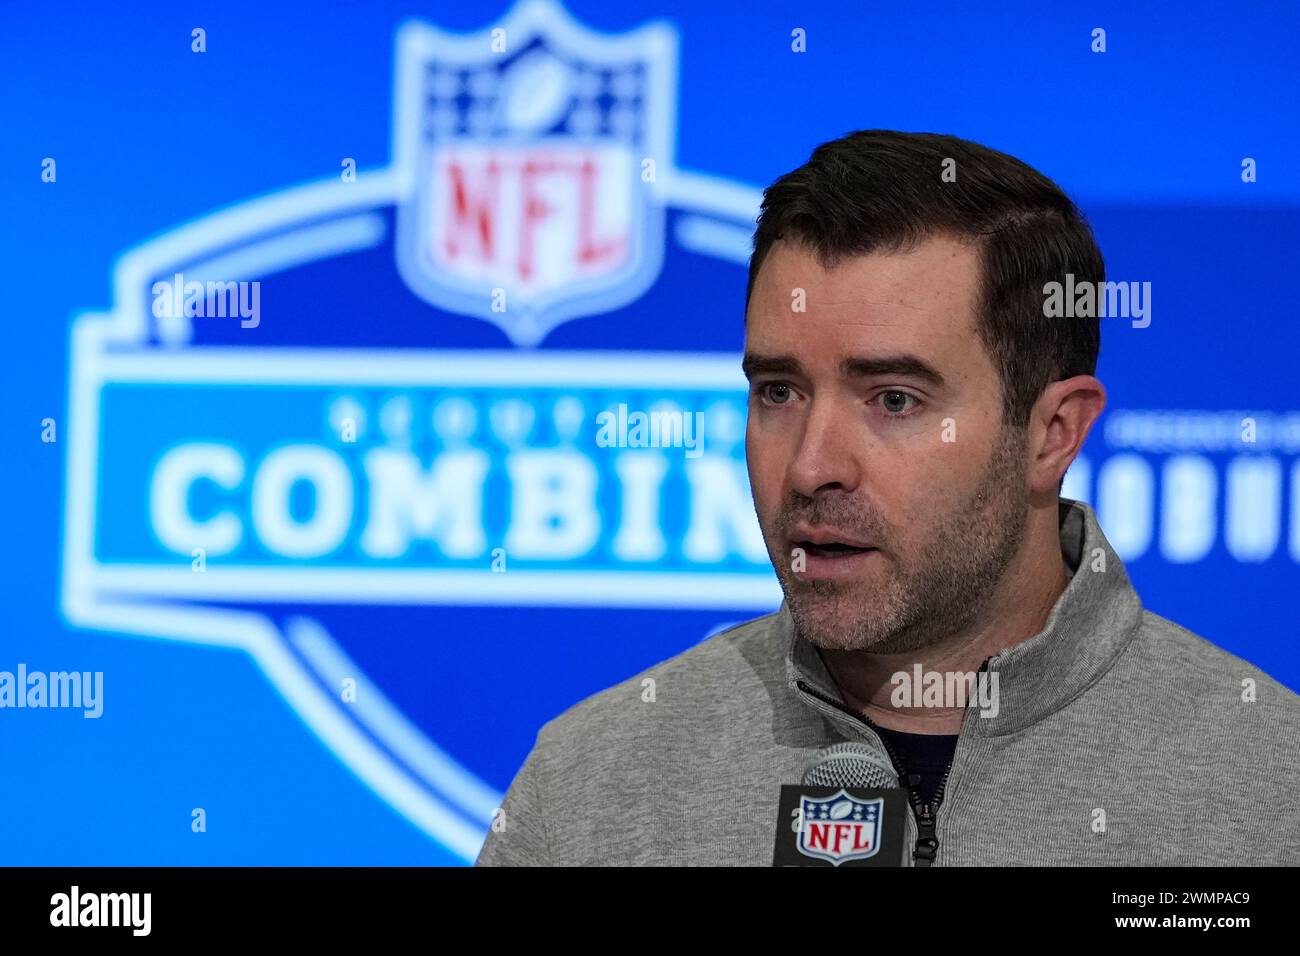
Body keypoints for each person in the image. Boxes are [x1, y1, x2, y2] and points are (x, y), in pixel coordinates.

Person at [475, 130, 1300, 866]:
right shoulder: (590, 786)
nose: (811, 468)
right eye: (779, 392)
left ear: (1052, 433)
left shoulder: (1270, 792)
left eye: (894, 400)